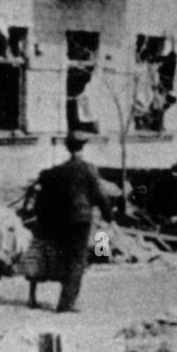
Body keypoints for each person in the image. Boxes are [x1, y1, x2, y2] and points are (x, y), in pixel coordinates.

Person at [36, 132, 113, 312]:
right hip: (81, 219)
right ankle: (66, 302)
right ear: (83, 147)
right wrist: (109, 216)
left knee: (67, 257)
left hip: (63, 219)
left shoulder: (60, 170)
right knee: (78, 259)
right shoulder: (89, 169)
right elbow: (99, 195)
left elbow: (47, 186)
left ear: (67, 147)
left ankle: (66, 298)